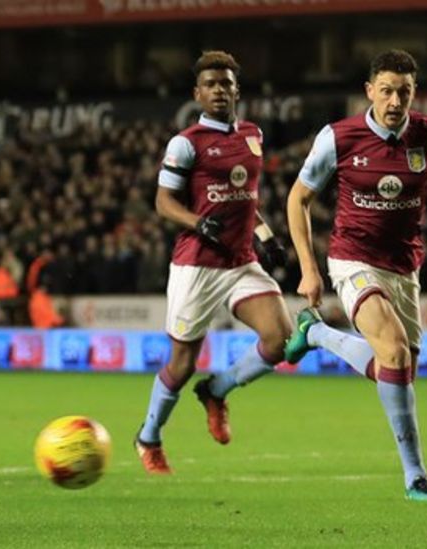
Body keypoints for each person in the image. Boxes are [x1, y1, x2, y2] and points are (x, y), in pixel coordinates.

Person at [285, 49, 427, 502]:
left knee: (396, 365)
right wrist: (309, 269)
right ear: (369, 91)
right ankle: (416, 476)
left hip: (404, 267)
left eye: (403, 91)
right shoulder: (338, 138)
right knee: (393, 348)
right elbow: (297, 199)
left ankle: (318, 335)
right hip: (352, 260)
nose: (394, 100)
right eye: (385, 90)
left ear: (414, 93)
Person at [134, 51, 290, 475]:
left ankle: (217, 391)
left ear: (236, 89)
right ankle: (148, 437)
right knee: (181, 365)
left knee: (281, 340)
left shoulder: (253, 135)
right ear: (197, 93)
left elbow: (245, 200)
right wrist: (197, 223)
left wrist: (267, 236)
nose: (219, 90)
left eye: (226, 83)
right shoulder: (186, 143)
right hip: (197, 265)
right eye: (211, 85)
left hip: (240, 262)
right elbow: (164, 202)